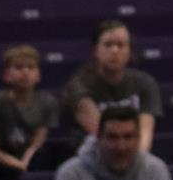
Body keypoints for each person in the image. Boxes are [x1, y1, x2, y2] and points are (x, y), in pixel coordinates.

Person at [61, 21, 163, 149]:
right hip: (91, 158)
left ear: (130, 51)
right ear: (96, 50)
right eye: (108, 45)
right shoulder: (77, 86)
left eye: (120, 45)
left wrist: (138, 165)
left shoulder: (146, 83)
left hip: (134, 158)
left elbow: (144, 138)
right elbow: (105, 135)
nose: (115, 50)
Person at [0, 45, 59, 180]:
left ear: (38, 75)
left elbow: (37, 144)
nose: (25, 72)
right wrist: (17, 164)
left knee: (41, 160)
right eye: (18, 67)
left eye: (31, 67)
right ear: (6, 75)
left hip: (31, 159)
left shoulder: (48, 102)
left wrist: (25, 164)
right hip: (4, 160)